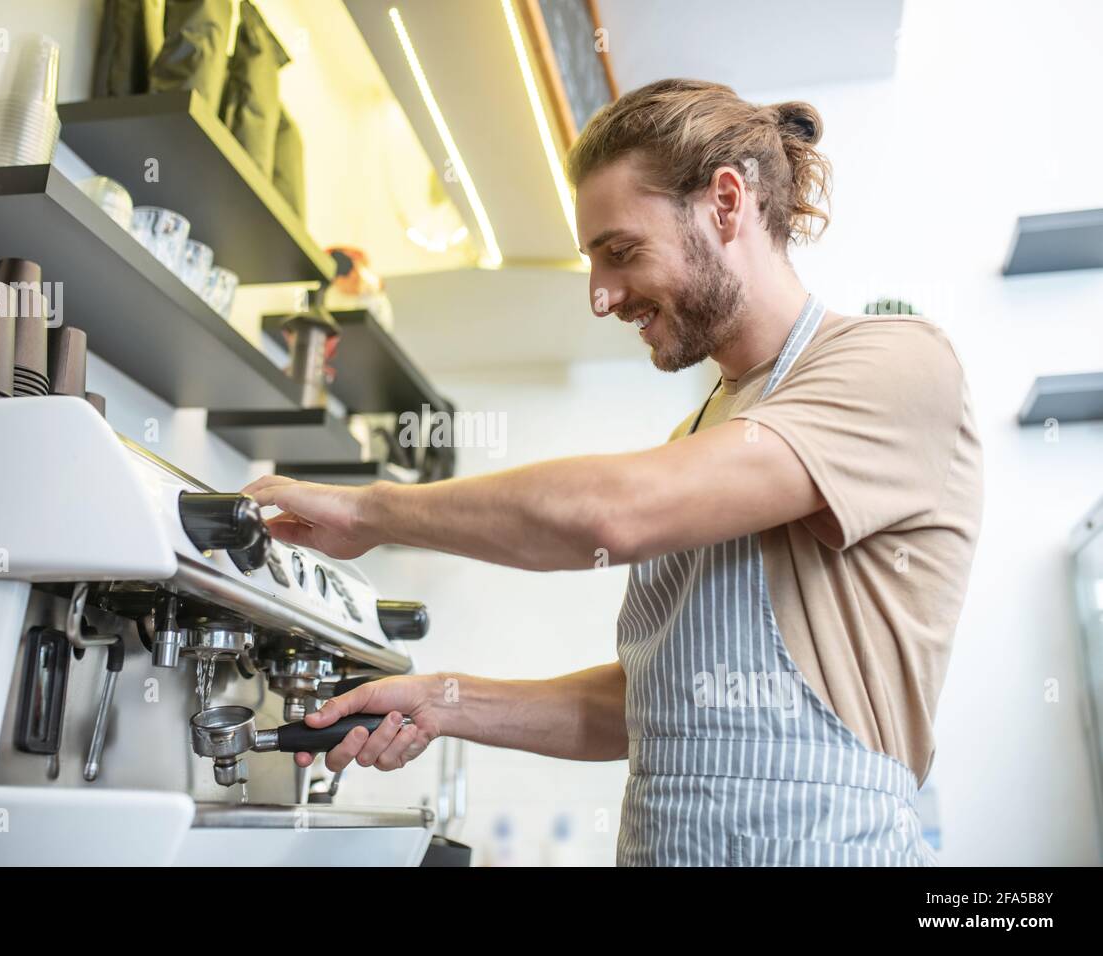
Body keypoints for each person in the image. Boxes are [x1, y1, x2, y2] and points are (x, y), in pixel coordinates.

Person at [241, 79, 982, 866]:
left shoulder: (893, 362)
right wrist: (442, 700)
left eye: (621, 252)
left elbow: (609, 515)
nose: (601, 295)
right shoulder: (696, 433)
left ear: (725, 203)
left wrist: (372, 513)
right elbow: (650, 709)